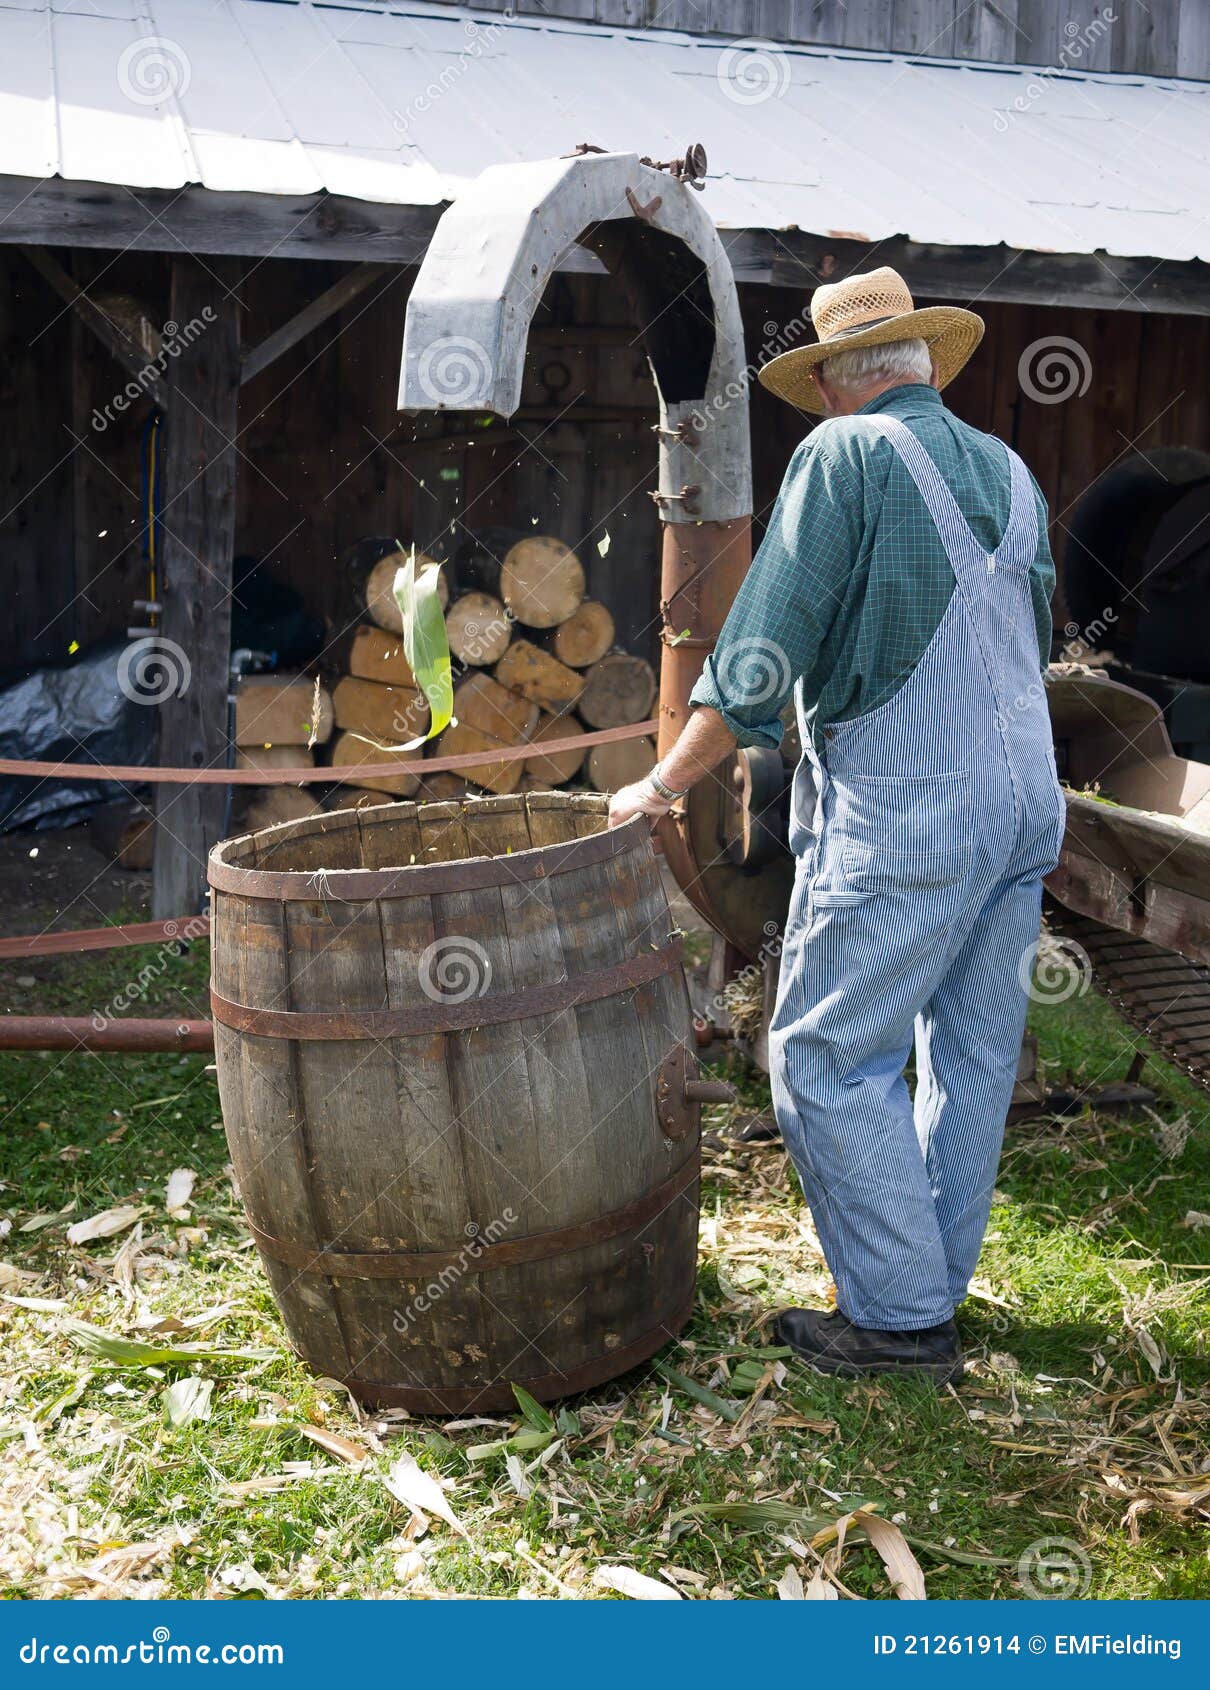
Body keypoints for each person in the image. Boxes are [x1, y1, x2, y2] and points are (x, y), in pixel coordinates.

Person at [608, 267, 1065, 1385]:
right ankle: (928, 1286)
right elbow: (1033, 632)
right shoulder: (1009, 468)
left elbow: (761, 648)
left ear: (832, 383)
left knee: (819, 1054)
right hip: (1024, 803)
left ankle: (899, 1321)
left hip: (914, 810)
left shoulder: (844, 456)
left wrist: (662, 785)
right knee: (966, 1052)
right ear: (918, 365)